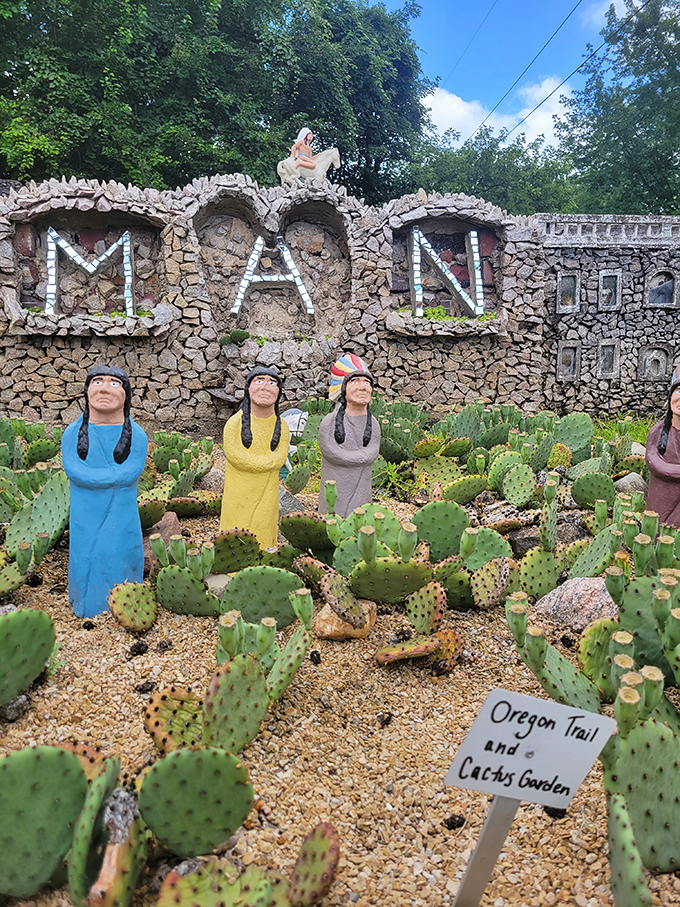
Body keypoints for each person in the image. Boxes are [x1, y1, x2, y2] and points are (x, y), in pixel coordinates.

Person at [61, 366, 148, 618]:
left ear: (125, 395)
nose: (103, 388)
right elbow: (74, 470)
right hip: (85, 512)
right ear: (87, 391)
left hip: (121, 511)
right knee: (85, 554)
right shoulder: (72, 434)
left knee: (120, 550)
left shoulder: (137, 435)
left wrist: (108, 480)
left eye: (113, 383)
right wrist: (110, 480)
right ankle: (88, 603)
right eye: (97, 381)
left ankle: (126, 602)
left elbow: (131, 470)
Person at [220, 366, 290, 549]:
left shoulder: (281, 425)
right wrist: (267, 463)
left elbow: (281, 455)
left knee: (264, 523)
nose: (266, 387)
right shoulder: (234, 423)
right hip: (238, 493)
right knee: (237, 526)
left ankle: (264, 558)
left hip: (267, 491)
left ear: (279, 392)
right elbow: (235, 455)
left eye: (272, 382)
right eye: (259, 381)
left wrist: (268, 464)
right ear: (248, 388)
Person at [318, 354, 381, 519]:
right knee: (334, 516)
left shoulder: (373, 423)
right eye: (355, 381)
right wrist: (360, 458)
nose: (363, 387)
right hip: (336, 485)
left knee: (359, 515)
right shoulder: (330, 422)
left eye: (367, 382)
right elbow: (331, 451)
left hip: (362, 484)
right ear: (343, 387)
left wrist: (361, 458)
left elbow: (373, 450)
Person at [646, 378, 680, 527]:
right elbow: (654, 462)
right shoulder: (657, 432)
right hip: (660, 496)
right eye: (679, 391)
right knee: (655, 531)